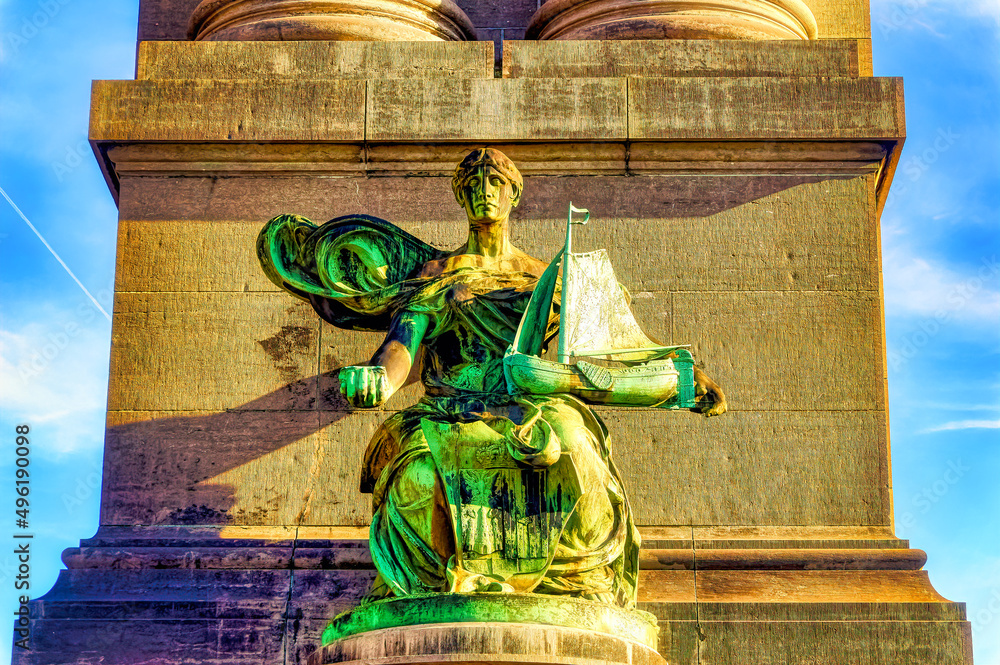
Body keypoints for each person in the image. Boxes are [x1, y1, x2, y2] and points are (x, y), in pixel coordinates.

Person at [259, 148, 726, 609]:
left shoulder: (545, 278)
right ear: (461, 197)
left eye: (496, 182)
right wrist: (378, 379)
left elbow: (602, 353)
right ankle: (436, 589)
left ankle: (577, 586)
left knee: (578, 451)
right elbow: (401, 346)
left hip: (534, 405)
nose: (485, 191)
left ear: (514, 195)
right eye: (474, 184)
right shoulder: (437, 274)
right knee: (418, 473)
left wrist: (681, 378)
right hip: (453, 408)